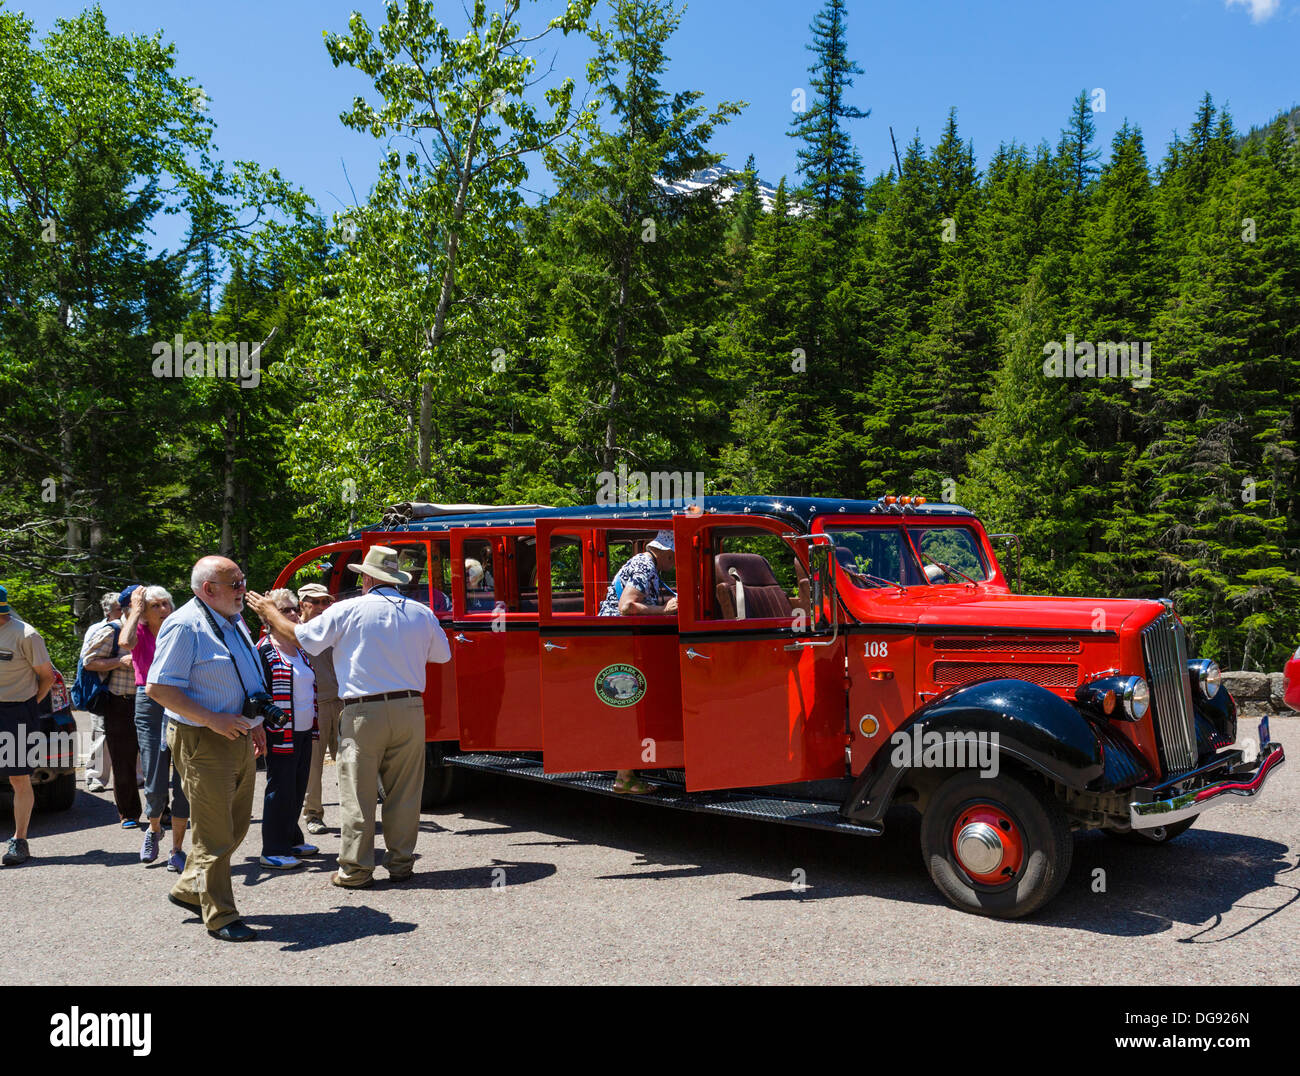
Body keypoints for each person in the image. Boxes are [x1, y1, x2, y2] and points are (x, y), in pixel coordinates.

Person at [247, 545, 450, 888]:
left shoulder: (349, 609)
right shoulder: (420, 612)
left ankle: (356, 869)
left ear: (367, 577)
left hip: (362, 709)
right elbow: (441, 655)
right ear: (395, 578)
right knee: (404, 792)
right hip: (410, 707)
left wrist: (270, 611)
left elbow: (302, 637)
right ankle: (400, 864)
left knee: (358, 791)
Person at [145, 556, 267, 942]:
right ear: (208, 589)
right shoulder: (184, 625)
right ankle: (220, 915)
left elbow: (245, 675)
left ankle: (188, 888)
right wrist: (213, 719)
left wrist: (258, 725)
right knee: (214, 833)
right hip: (205, 738)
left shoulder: (232, 620)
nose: (243, 589)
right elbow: (159, 689)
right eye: (236, 583)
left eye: (242, 580)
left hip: (239, 733)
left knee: (236, 825)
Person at [597, 531, 677, 795]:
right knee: (632, 705)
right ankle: (624, 777)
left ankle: (629, 772)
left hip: (622, 642)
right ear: (665, 552)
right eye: (674, 557)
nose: (674, 563)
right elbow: (627, 606)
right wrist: (664, 611)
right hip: (620, 642)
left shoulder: (647, 564)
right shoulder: (645, 566)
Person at [120, 585, 190, 871]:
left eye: (166, 604)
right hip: (149, 702)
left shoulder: (181, 629)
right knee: (153, 771)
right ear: (145, 613)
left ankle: (177, 849)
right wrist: (135, 611)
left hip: (180, 698)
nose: (164, 609)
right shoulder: (139, 630)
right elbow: (124, 643)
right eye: (156, 606)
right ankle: (153, 829)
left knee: (184, 775)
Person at [253, 589, 319, 870]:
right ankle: (273, 848)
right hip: (280, 732)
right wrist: (260, 729)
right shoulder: (264, 650)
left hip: (304, 730)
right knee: (279, 789)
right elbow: (258, 694)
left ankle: (291, 839)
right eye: (286, 611)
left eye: (294, 609)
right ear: (270, 617)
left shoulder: (300, 649)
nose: (294, 614)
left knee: (297, 787)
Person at [0, 584, 56, 866]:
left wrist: (30, 702)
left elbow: (47, 676)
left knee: (18, 778)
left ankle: (19, 840)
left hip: (16, 713)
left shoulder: (26, 635)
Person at [83, 586, 141, 826]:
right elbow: (89, 662)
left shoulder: (158, 630)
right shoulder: (112, 631)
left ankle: (163, 811)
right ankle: (128, 813)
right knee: (123, 759)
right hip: (121, 702)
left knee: (157, 758)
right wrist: (119, 661)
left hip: (153, 701)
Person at [297, 584, 339, 836]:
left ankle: (353, 814)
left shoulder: (333, 629)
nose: (322, 607)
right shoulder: (294, 632)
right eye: (316, 602)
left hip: (342, 702)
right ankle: (312, 815)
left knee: (349, 763)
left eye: (326, 602)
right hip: (313, 706)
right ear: (302, 603)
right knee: (313, 767)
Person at [79, 592, 119, 792]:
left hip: (128, 692)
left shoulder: (135, 627)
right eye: (120, 609)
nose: (124, 612)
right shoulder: (97, 629)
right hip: (102, 691)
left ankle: (138, 776)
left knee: (134, 734)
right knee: (101, 735)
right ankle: (95, 777)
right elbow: (86, 661)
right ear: (108, 611)